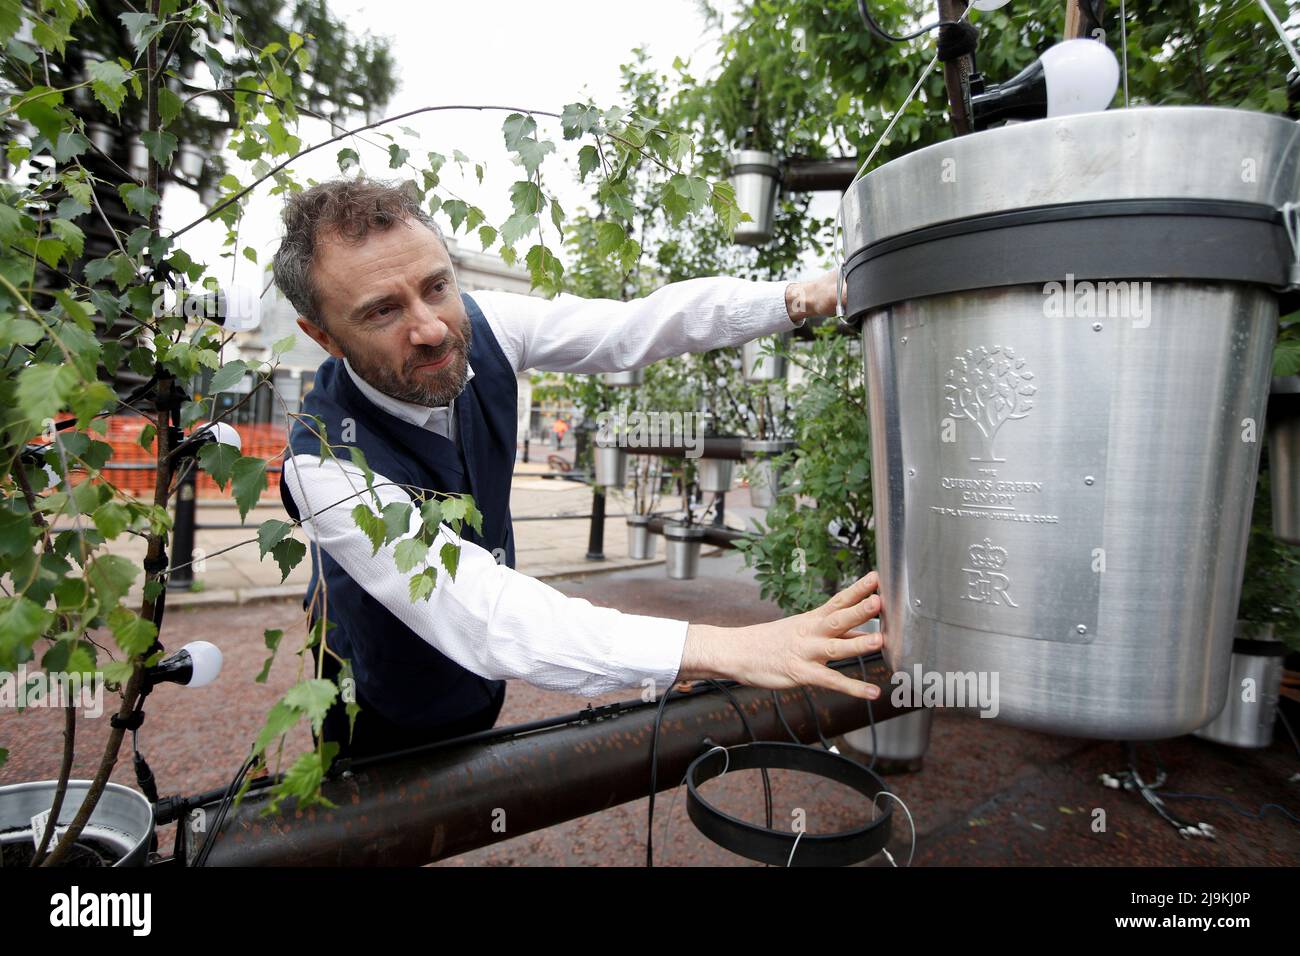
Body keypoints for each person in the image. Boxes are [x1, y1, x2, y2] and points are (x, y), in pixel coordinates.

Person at [273, 177, 882, 759]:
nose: (432, 329)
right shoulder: (320, 461)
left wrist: (801, 297)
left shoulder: (487, 326)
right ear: (323, 336)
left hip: (480, 685)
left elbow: (634, 327)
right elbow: (482, 613)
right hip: (377, 698)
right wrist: (727, 647)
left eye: (437, 287)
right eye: (382, 312)